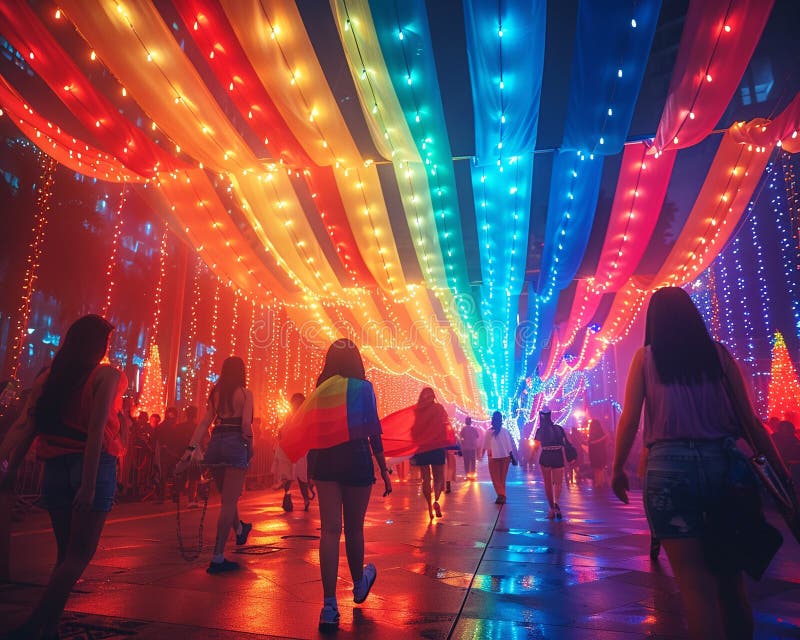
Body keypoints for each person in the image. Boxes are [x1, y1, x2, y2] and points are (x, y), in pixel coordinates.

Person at [611, 286, 794, 640]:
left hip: (667, 472)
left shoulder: (645, 359)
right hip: (723, 467)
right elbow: (751, 422)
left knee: (695, 587)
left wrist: (618, 467)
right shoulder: (720, 357)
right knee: (731, 582)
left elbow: (630, 419)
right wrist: (782, 474)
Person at [0, 315, 127, 639]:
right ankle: (32, 625)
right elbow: (97, 432)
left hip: (55, 467)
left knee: (63, 555)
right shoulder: (107, 376)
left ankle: (50, 629)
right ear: (99, 345)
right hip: (92, 468)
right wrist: (86, 485)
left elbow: (28, 424)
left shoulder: (49, 377)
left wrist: (11, 465)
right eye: (107, 342)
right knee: (79, 555)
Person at [304, 339, 392, 632]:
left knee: (329, 530)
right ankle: (357, 586)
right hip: (356, 459)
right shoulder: (363, 388)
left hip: (326, 462)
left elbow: (313, 428)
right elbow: (373, 430)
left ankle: (329, 606)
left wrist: (309, 465)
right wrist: (384, 469)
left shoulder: (322, 387)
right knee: (354, 529)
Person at [179, 356, 254, 574]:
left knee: (227, 499)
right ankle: (218, 557)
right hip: (234, 443)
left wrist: (190, 450)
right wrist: (250, 447)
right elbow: (246, 425)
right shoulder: (245, 393)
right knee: (228, 503)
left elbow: (204, 423)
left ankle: (240, 528)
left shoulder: (216, 392)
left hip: (216, 444)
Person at [410, 388, 449, 520]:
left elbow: (414, 428)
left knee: (426, 479)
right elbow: (445, 424)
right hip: (437, 446)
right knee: (439, 478)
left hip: (423, 448)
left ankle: (428, 508)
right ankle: (436, 500)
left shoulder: (418, 410)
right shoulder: (439, 408)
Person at [279, 393, 315, 511]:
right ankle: (287, 497)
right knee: (289, 475)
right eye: (295, 402)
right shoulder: (290, 416)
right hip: (290, 449)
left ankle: (305, 498)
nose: (296, 405)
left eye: (298, 402)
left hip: (302, 450)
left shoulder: (305, 415)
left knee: (301, 476)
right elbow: (285, 430)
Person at [534, 408, 568, 518]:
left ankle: (551, 509)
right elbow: (565, 443)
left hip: (546, 456)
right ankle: (556, 502)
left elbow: (535, 447)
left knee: (548, 484)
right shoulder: (559, 429)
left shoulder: (540, 430)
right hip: (557, 455)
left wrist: (530, 457)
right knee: (558, 482)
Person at [483, 411, 517, 504]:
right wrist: (512, 458)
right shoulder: (505, 431)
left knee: (496, 478)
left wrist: (481, 455)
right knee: (502, 479)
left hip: (494, 457)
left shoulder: (489, 432)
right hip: (506, 458)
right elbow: (509, 446)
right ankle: (501, 495)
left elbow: (485, 446)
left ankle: (502, 495)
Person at [588, 419, 610, 489]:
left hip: (594, 453)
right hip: (601, 452)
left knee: (596, 469)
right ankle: (600, 482)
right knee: (600, 468)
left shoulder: (592, 433)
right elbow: (606, 443)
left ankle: (598, 482)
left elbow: (591, 443)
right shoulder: (602, 433)